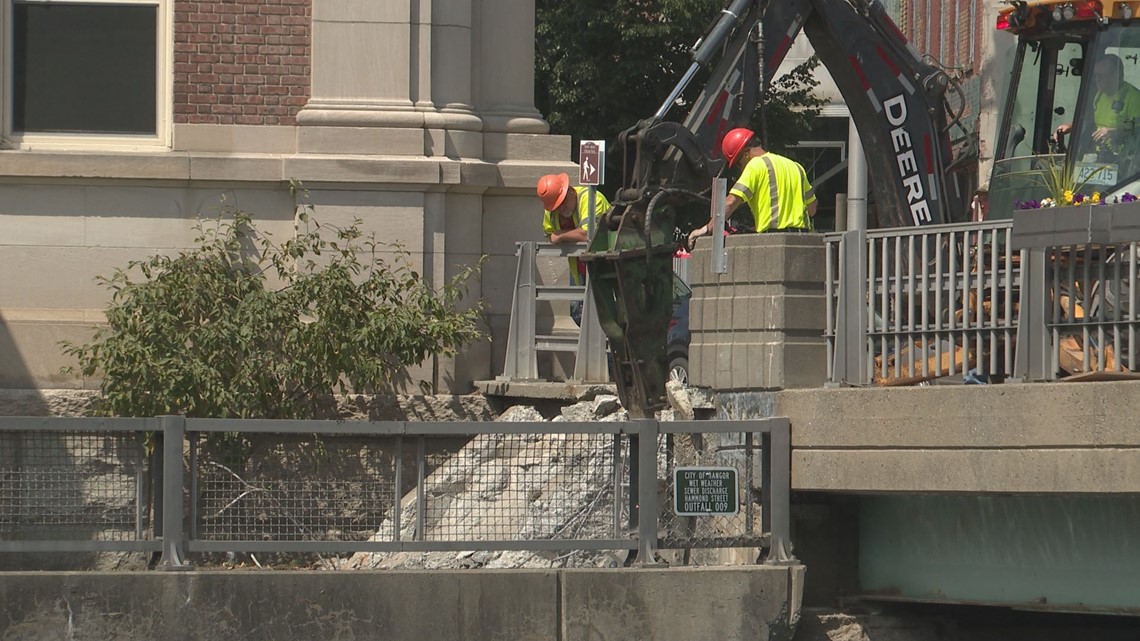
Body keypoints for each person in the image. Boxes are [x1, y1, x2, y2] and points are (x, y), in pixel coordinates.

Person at [687, 127, 817, 248]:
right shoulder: (796, 166)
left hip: (773, 243)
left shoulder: (756, 165)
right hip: (803, 242)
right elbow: (812, 209)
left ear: (746, 154)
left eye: (739, 163)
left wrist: (707, 229)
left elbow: (731, 202)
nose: (741, 168)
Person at [536, 173, 610, 326]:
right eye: (557, 207)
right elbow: (549, 235)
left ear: (570, 191)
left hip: (607, 270)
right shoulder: (551, 211)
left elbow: (588, 235)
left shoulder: (592, 199)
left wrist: (562, 235)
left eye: (563, 203)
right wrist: (558, 235)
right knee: (578, 316)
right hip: (580, 272)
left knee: (605, 319)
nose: (561, 209)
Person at [1054, 54, 1140, 155]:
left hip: (1123, 159)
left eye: (1101, 76)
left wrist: (1113, 132)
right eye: (1095, 75)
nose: (1096, 79)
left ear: (1115, 75)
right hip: (1098, 154)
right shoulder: (1099, 95)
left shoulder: (1134, 98)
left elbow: (1138, 131)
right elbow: (1091, 121)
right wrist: (1071, 126)